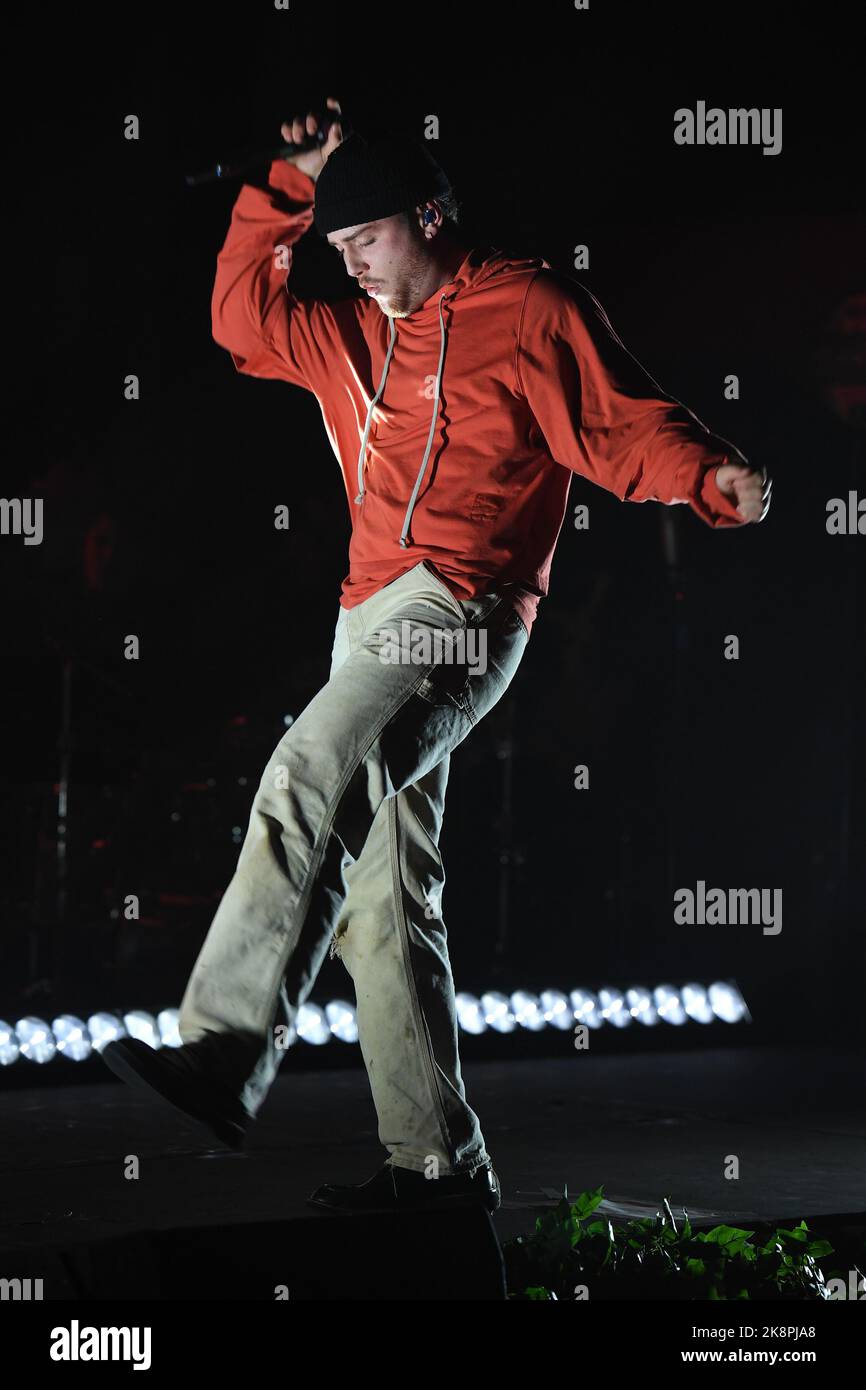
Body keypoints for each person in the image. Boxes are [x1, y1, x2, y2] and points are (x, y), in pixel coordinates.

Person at [101, 98, 771, 1214]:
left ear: (428, 214)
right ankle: (437, 1170)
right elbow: (237, 319)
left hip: (458, 608)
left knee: (304, 774)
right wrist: (283, 184)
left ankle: (219, 1047)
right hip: (364, 621)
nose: (352, 265)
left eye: (365, 239)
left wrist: (708, 476)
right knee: (382, 899)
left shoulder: (530, 303)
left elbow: (619, 422)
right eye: (337, 248)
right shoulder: (350, 335)